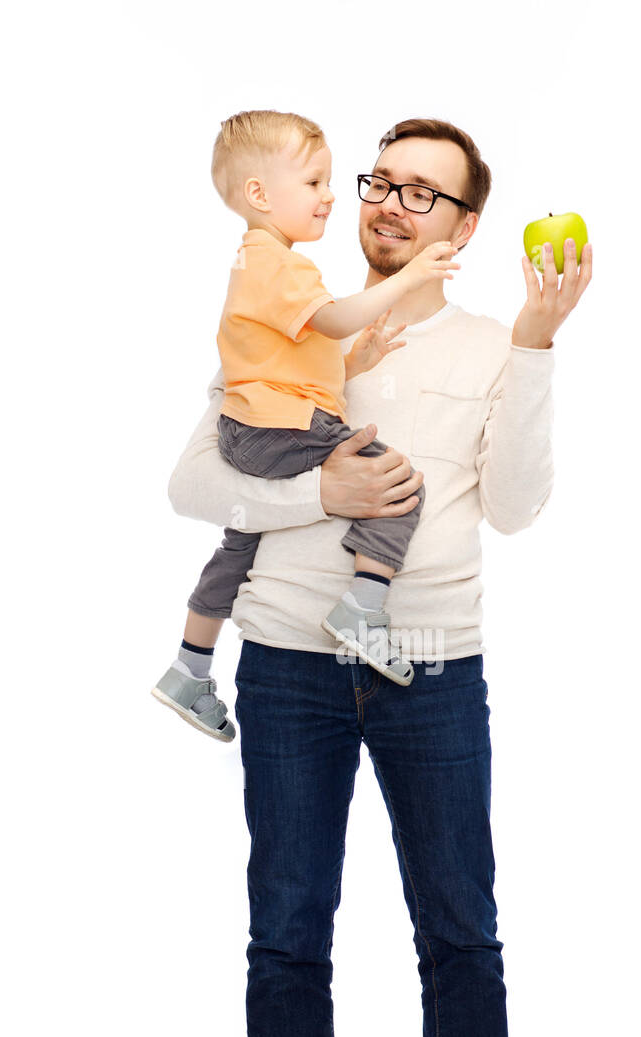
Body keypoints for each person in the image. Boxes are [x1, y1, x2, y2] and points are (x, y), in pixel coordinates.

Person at [167, 114, 603, 1037]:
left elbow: (514, 507)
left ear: (463, 227)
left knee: (462, 930)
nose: (392, 205)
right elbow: (192, 478)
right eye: (382, 182)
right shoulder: (290, 326)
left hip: (433, 670)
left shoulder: (484, 347)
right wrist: (328, 499)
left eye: (425, 195)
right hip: (292, 671)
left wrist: (541, 341)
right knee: (287, 931)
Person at [153, 111, 465, 740]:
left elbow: (298, 363)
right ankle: (362, 609)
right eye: (315, 183)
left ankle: (189, 665)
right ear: (261, 196)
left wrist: (357, 363)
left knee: (241, 543)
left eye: (329, 184)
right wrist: (410, 275)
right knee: (397, 484)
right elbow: (332, 319)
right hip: (278, 427)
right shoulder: (282, 266)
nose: (330, 197)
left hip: (253, 427)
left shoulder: (258, 262)